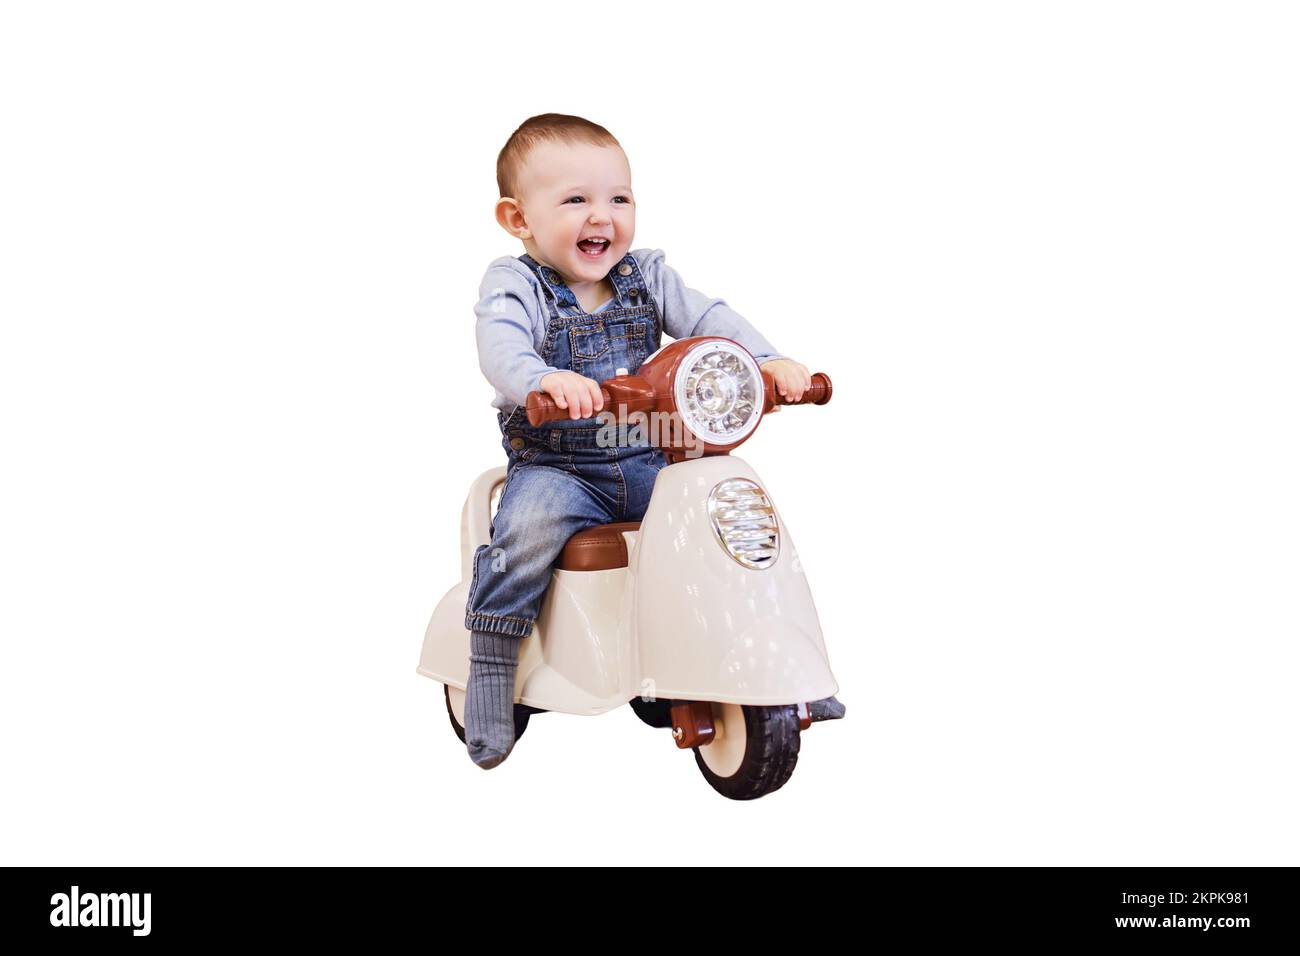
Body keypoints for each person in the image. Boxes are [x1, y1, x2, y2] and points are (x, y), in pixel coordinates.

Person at [463, 113, 843, 769]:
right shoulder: (515, 284)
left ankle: (776, 663)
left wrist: (770, 361)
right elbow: (501, 346)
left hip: (648, 455)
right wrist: (543, 378)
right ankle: (492, 664)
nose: (601, 216)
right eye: (575, 199)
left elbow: (705, 316)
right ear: (517, 218)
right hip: (560, 466)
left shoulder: (646, 276)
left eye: (618, 198)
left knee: (729, 521)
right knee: (521, 537)